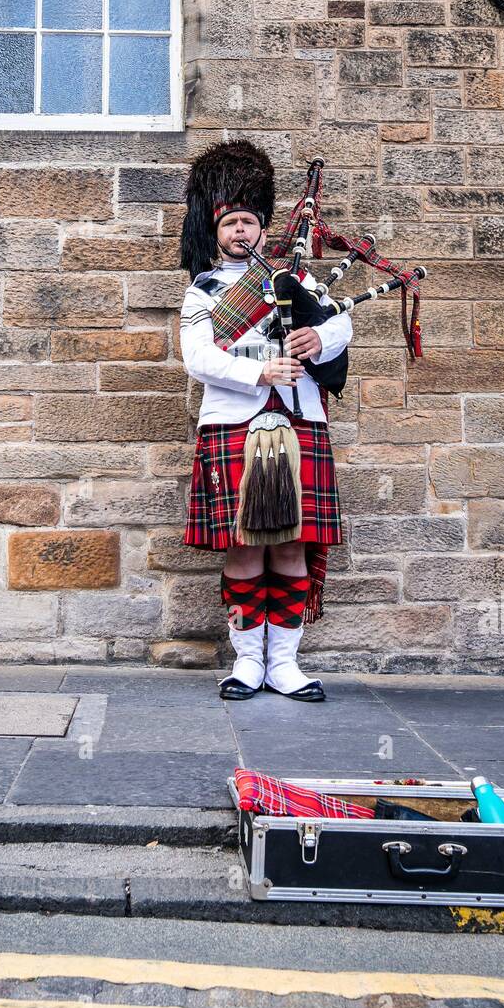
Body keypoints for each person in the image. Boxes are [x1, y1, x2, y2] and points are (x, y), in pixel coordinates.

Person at [178, 140, 352, 702]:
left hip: (299, 423)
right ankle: (248, 661)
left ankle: (285, 664)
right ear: (216, 231)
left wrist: (317, 337)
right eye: (230, 224)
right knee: (245, 546)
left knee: (292, 546)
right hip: (234, 424)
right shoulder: (201, 291)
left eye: (249, 222)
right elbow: (198, 359)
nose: (240, 233)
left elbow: (341, 329)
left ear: (262, 226)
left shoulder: (293, 279)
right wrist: (260, 374)